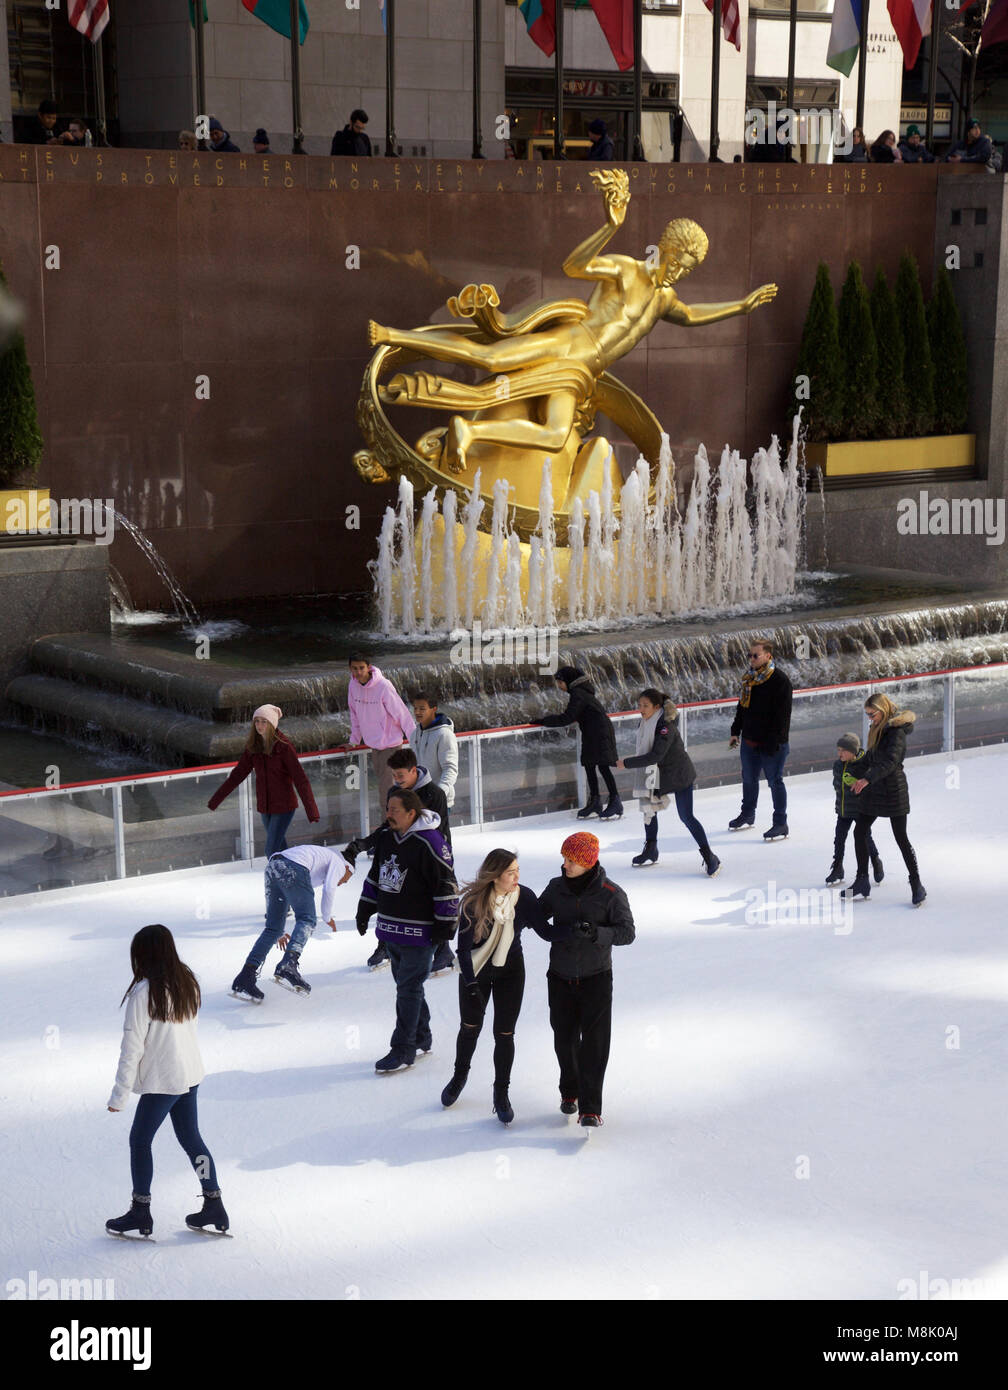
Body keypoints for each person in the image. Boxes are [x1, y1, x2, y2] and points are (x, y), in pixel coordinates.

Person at [106, 925, 228, 1239]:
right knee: (192, 1141)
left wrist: (119, 1095)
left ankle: (140, 1211)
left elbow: (132, 1047)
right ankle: (213, 1202)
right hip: (189, 1074)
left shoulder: (144, 992)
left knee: (140, 1141)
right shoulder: (186, 981)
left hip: (165, 1080)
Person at [443, 849, 568, 1123]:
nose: (517, 876)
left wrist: (576, 928)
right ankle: (459, 1077)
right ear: (495, 875)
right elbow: (462, 951)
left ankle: (501, 1094)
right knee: (470, 1027)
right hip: (475, 971)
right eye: (511, 872)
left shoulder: (524, 897)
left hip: (511, 972)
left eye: (517, 870)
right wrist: (472, 985)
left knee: (504, 1033)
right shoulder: (473, 903)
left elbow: (545, 932)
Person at [356, 789, 459, 1073]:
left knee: (408, 987)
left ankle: (403, 1048)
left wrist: (445, 926)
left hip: (420, 932)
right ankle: (422, 1036)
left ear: (412, 813)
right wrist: (365, 908)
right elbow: (376, 874)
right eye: (388, 808)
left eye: (394, 810)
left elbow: (446, 886)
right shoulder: (388, 837)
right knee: (408, 986)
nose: (388, 814)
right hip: (390, 929)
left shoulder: (431, 842)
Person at [538, 832, 635, 1127]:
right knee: (564, 1040)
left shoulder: (610, 893)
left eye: (570, 860)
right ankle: (570, 1091)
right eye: (564, 859)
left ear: (587, 862)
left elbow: (627, 933)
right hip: (560, 976)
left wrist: (597, 933)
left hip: (596, 978)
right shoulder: (556, 888)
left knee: (594, 1043)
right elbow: (537, 915)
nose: (564, 865)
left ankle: (590, 1108)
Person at [345, 746, 455, 974]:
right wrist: (363, 844)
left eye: (400, 775)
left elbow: (439, 832)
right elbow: (388, 828)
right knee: (392, 894)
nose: (396, 780)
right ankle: (384, 946)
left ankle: (443, 949)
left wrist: (438, 860)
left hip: (430, 858)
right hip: (402, 854)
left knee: (427, 902)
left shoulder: (434, 794)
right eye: (394, 775)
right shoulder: (395, 792)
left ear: (414, 770)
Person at [617, 688, 720, 877]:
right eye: (639, 705)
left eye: (645, 706)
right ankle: (651, 850)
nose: (641, 709)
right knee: (649, 809)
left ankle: (710, 856)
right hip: (655, 774)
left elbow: (655, 755)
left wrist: (626, 763)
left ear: (657, 707)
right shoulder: (646, 722)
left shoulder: (665, 726)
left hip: (678, 774)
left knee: (686, 816)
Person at [231, 844, 352, 999]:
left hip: (274, 866)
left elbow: (290, 889)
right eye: (346, 879)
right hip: (292, 866)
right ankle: (289, 964)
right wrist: (327, 918)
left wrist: (279, 930)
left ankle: (245, 976)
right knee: (307, 919)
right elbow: (329, 889)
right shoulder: (340, 863)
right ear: (348, 868)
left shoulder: (317, 867)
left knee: (273, 929)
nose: (343, 882)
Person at [843, 695, 925, 906]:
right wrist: (853, 768)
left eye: (873, 714)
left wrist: (866, 779)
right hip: (874, 789)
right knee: (859, 831)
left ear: (883, 710)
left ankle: (916, 884)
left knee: (901, 838)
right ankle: (862, 880)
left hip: (893, 790)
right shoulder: (878, 728)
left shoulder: (896, 732)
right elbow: (872, 757)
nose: (870, 719)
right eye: (867, 715)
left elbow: (890, 761)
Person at [207, 705, 319, 858]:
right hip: (265, 807)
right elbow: (238, 775)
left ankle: (280, 879)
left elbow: (301, 780)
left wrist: (312, 811)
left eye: (264, 722)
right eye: (257, 721)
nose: (259, 725)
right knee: (280, 850)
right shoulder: (254, 747)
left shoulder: (284, 747)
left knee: (271, 850)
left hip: (284, 807)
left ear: (272, 723)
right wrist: (216, 800)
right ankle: (290, 877)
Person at [533, 665, 621, 820]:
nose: (559, 686)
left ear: (568, 681)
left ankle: (615, 801)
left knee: (603, 766)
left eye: (560, 683)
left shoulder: (578, 694)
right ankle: (595, 801)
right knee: (589, 765)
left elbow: (566, 718)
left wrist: (543, 721)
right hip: (592, 731)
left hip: (600, 732)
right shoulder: (580, 692)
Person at [728, 639, 793, 840]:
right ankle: (748, 814)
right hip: (749, 741)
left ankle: (780, 823)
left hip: (771, 744)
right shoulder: (749, 679)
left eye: (755, 655)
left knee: (775, 782)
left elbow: (782, 716)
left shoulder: (780, 681)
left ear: (768, 656)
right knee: (748, 779)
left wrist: (773, 742)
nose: (752, 659)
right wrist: (735, 731)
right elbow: (742, 707)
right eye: (750, 655)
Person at [344, 655, 415, 809]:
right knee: (386, 792)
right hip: (374, 746)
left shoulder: (383, 686)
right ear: (350, 669)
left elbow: (401, 713)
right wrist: (354, 741)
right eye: (354, 668)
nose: (358, 672)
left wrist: (415, 740)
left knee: (388, 794)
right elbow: (354, 714)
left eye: (361, 668)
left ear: (368, 667)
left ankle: (391, 830)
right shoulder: (352, 685)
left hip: (390, 746)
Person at [827, 732, 883, 886]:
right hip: (843, 810)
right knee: (839, 839)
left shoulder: (864, 764)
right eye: (838, 750)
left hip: (860, 811)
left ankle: (876, 860)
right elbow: (836, 784)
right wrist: (842, 784)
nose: (839, 754)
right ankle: (838, 867)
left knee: (865, 838)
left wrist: (856, 783)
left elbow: (870, 785)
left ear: (852, 751)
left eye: (842, 750)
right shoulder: (838, 765)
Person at [408, 691, 458, 813]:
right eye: (415, 708)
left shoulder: (444, 734)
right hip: (418, 800)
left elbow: (450, 769)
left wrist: (439, 793)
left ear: (433, 709)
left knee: (438, 833)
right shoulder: (415, 734)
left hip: (438, 801)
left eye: (422, 709)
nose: (417, 712)